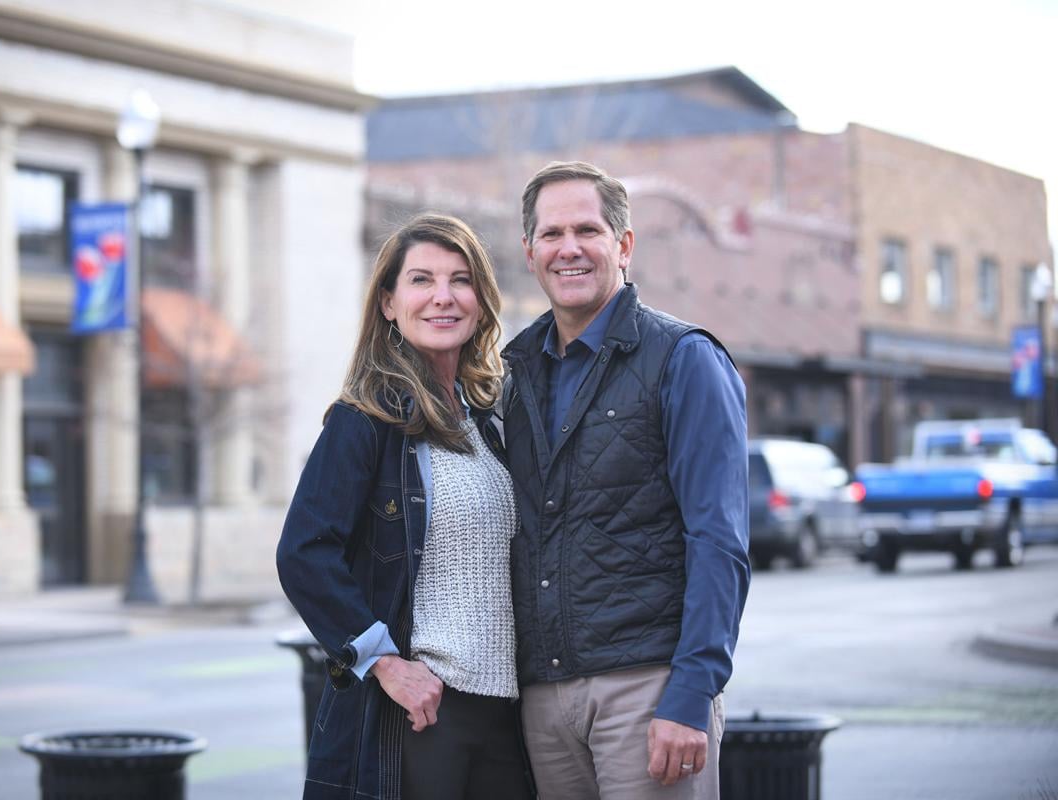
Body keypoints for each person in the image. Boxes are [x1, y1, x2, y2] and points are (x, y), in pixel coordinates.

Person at [500, 161, 750, 799]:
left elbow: (718, 540)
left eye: (588, 229)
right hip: (544, 700)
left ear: (624, 244)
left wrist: (692, 693)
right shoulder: (514, 371)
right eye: (551, 234)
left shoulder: (685, 359)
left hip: (647, 693)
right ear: (530, 252)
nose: (570, 248)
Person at [276, 213, 533, 800]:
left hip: (506, 715)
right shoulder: (365, 419)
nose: (443, 297)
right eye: (421, 280)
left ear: (481, 300)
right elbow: (303, 553)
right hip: (419, 718)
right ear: (389, 303)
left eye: (460, 280)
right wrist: (387, 665)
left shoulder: (490, 420)